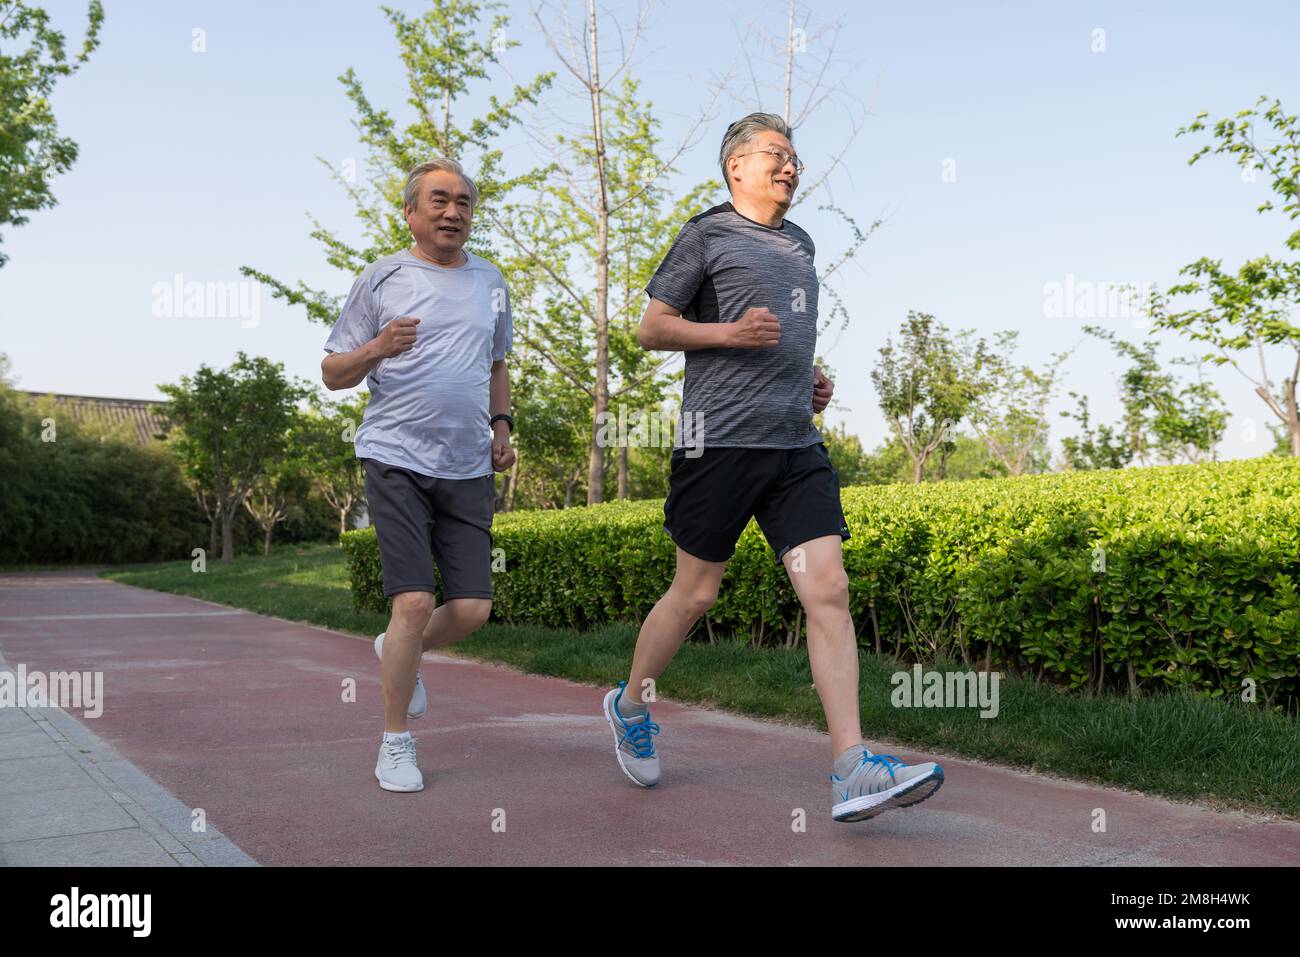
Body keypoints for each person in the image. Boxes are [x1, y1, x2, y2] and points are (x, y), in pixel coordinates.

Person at [602, 113, 944, 822]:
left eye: (794, 157)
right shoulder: (706, 234)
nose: (791, 167)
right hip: (718, 443)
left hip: (794, 444)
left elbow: (783, 342)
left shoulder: (802, 243)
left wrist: (810, 380)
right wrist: (727, 332)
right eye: (775, 156)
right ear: (736, 167)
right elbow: (651, 327)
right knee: (695, 594)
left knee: (829, 588)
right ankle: (631, 702)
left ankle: (851, 765)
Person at [322, 157, 515, 793]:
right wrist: (377, 348)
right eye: (438, 200)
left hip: (466, 464)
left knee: (473, 609)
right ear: (410, 211)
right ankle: (395, 742)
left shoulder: (492, 282)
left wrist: (503, 429)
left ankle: (399, 650)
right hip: (395, 455)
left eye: (463, 201)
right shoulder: (382, 277)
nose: (452, 211)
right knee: (413, 600)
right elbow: (332, 372)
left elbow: (496, 363)